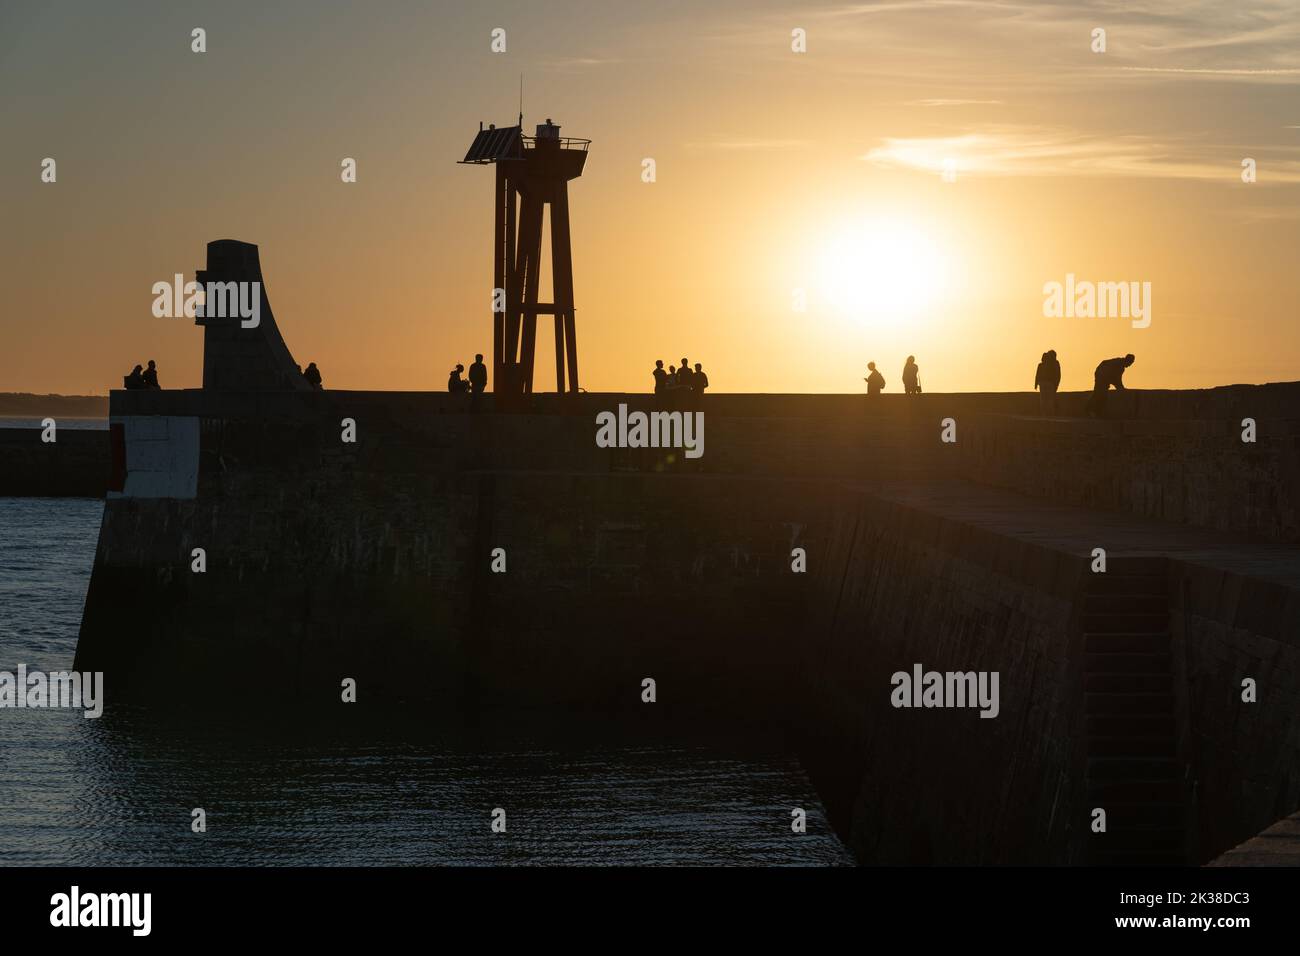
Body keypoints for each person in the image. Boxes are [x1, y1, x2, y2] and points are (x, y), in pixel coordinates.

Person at [1088, 353, 1134, 418]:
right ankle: (1091, 411)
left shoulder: (1121, 366)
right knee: (1099, 393)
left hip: (1103, 374)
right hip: (1101, 374)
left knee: (1100, 393)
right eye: (1130, 363)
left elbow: (1117, 379)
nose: (1130, 365)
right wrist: (1120, 387)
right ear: (1128, 360)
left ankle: (1094, 411)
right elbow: (1116, 379)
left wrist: (1120, 387)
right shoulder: (1119, 365)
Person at [1034, 350, 1060, 415]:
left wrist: (1036, 383)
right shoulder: (1055, 363)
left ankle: (1045, 413)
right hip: (1050, 383)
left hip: (1044, 383)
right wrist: (1056, 384)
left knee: (1043, 399)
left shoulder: (1041, 365)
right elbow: (1057, 375)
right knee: (1049, 399)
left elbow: (1037, 374)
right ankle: (1050, 413)